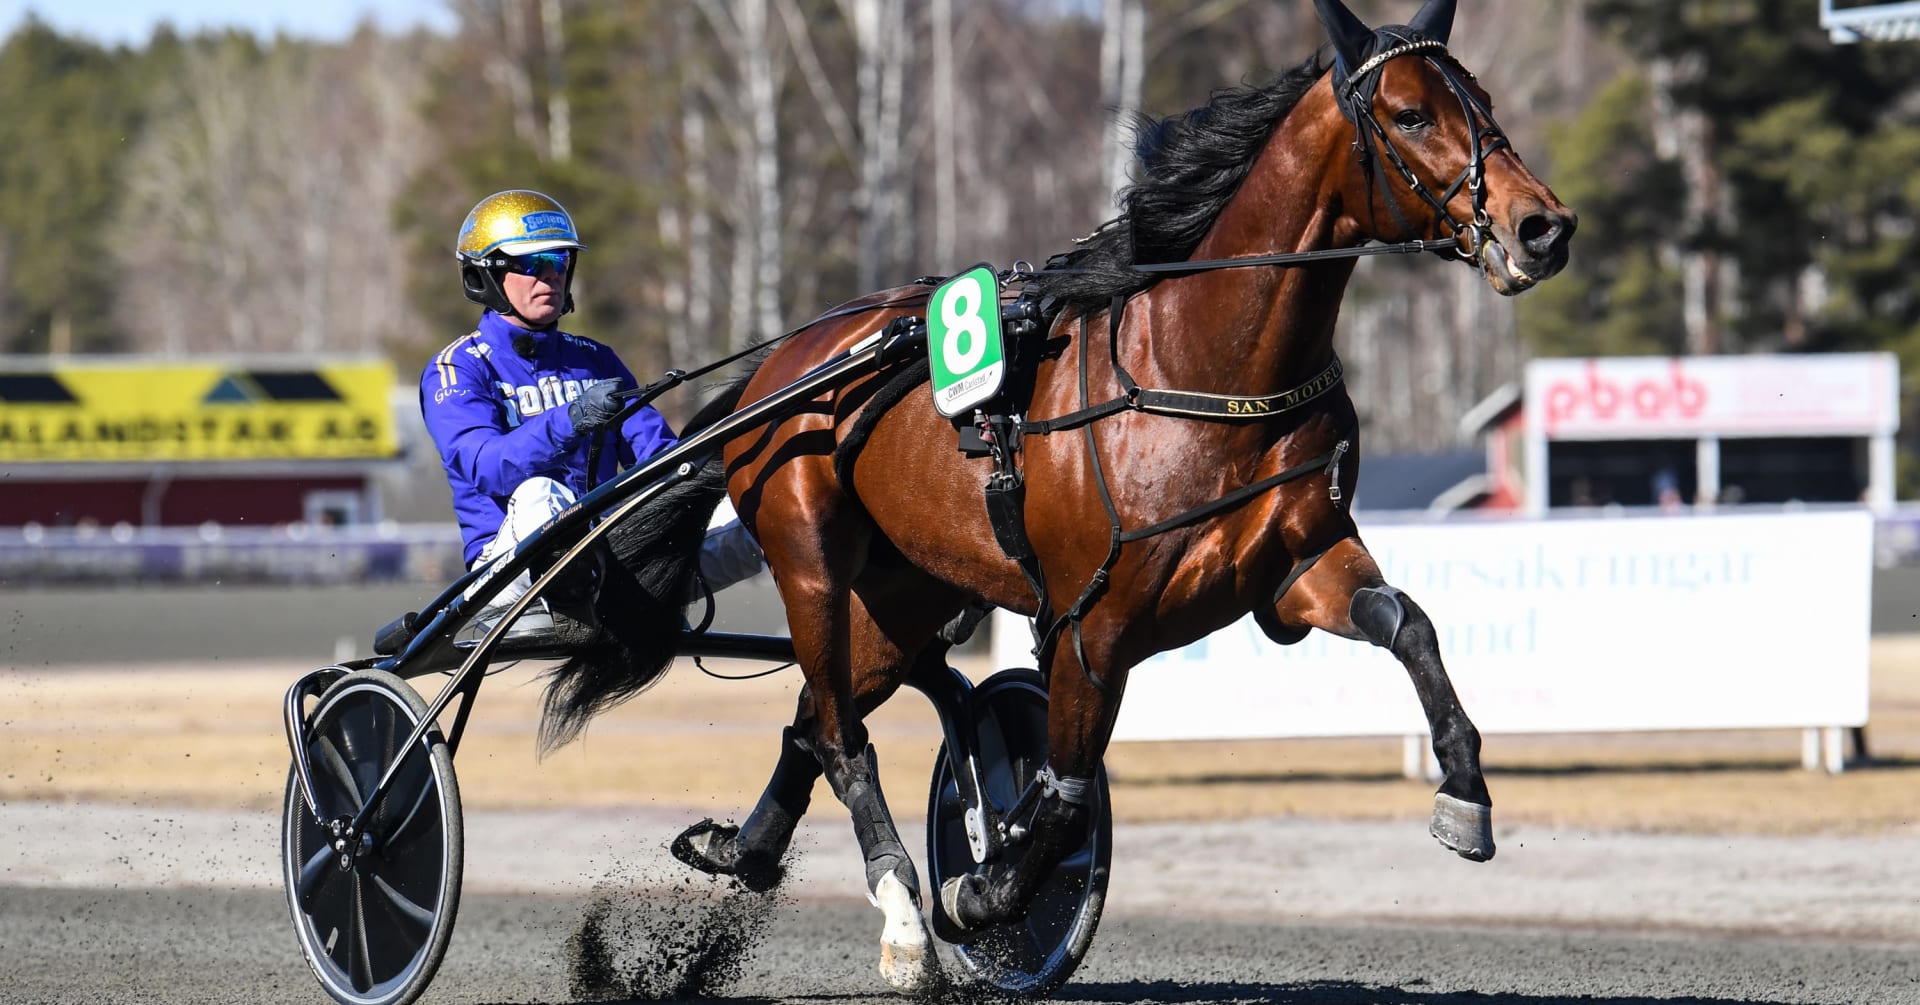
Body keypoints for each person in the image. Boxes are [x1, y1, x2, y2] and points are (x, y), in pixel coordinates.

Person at [422, 189, 762, 639]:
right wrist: (571, 419)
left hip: (612, 557)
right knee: (541, 494)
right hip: (508, 573)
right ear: (485, 275)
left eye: (560, 261)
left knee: (758, 506)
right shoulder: (457, 368)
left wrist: (731, 457)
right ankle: (592, 605)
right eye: (532, 263)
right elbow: (488, 468)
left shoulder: (595, 359)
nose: (550, 276)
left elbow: (659, 460)